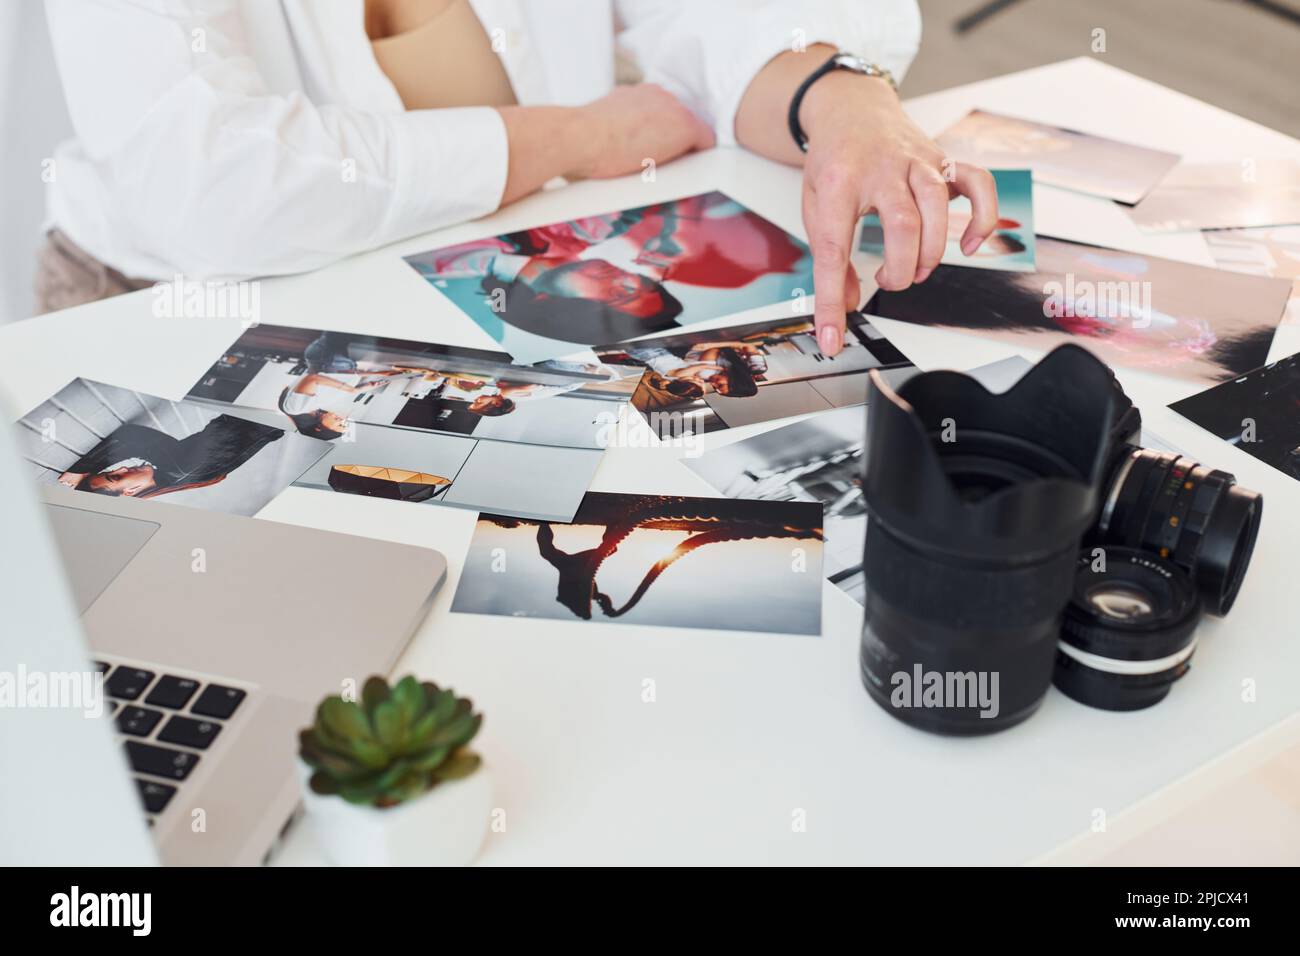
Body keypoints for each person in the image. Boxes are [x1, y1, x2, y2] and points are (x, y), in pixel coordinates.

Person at [40, 0, 999, 356]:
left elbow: (721, 22)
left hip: (500, 274)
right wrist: (573, 138)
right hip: (166, 308)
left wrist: (844, 101)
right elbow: (211, 188)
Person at [56, 416, 283, 499]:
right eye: (116, 478)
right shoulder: (178, 469)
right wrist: (81, 468)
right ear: (131, 491)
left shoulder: (176, 477)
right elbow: (130, 436)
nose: (122, 469)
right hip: (264, 413)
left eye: (111, 471)